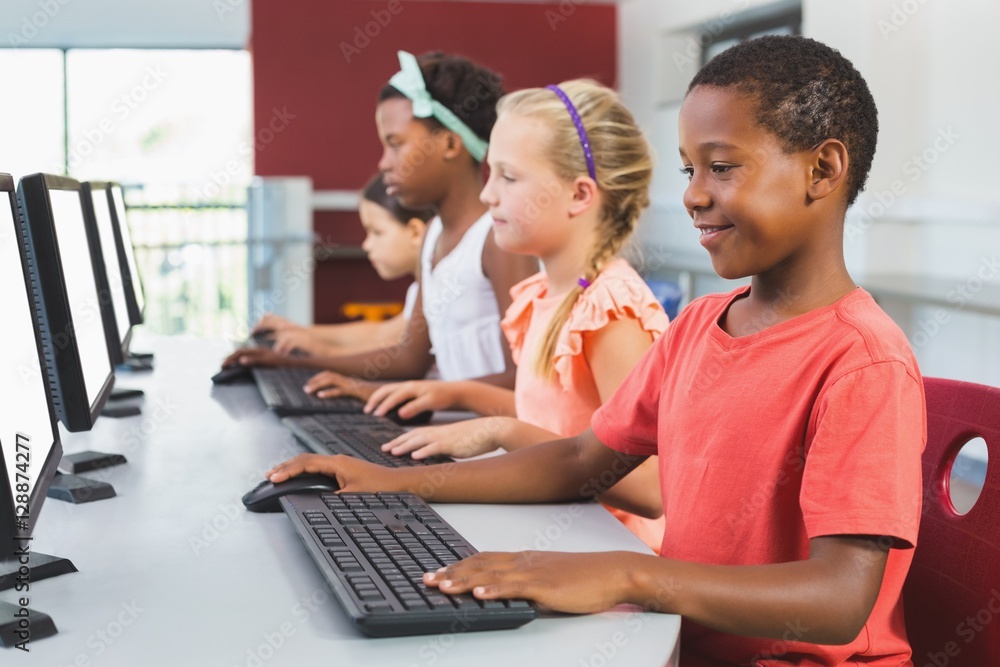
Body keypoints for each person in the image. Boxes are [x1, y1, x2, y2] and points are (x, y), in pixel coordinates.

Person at [265, 36, 926, 665]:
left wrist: (630, 573)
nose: (694, 193)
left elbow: (841, 599)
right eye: (689, 169)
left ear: (824, 168)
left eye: (721, 167)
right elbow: (583, 458)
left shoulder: (863, 361)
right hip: (675, 641)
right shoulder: (699, 324)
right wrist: (396, 484)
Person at [348, 80, 669, 549]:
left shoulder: (609, 312)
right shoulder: (544, 294)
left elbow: (648, 488)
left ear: (580, 195)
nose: (487, 196)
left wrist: (502, 431)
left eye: (509, 178)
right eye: (489, 174)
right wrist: (459, 394)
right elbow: (558, 422)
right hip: (560, 534)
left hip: (609, 554)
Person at [223, 50, 538, 389]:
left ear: (449, 143)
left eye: (396, 144)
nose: (385, 163)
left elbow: (523, 379)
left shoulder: (496, 239)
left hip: (497, 441)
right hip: (454, 434)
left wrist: (425, 394)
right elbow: (408, 358)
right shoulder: (432, 237)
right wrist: (290, 363)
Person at [251, 173, 433, 358]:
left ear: (415, 233)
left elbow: (399, 352)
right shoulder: (419, 289)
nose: (366, 245)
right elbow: (382, 334)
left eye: (376, 232)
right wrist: (299, 331)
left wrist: (323, 352)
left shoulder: (439, 291)